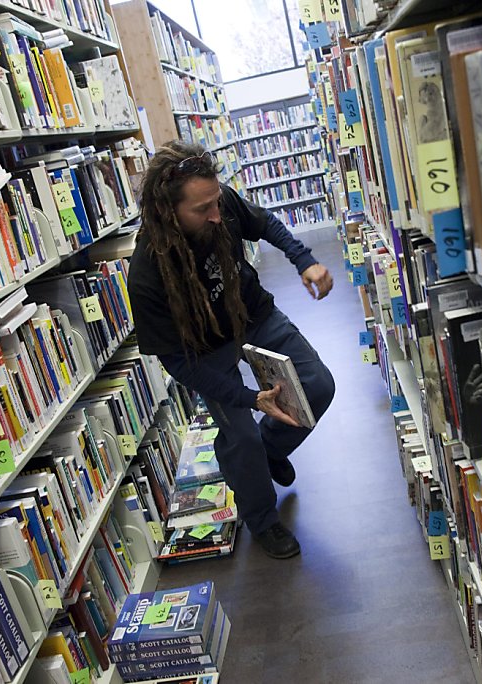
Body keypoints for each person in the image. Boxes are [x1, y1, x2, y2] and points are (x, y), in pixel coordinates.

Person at [127, 141, 336, 559]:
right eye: (202, 210)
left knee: (318, 384)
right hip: (202, 349)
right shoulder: (146, 275)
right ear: (169, 212)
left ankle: (271, 448)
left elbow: (265, 223)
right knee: (240, 437)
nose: (216, 215)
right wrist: (248, 399)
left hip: (252, 316)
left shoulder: (220, 204)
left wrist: (303, 259)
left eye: (215, 201)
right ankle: (262, 520)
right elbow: (177, 363)